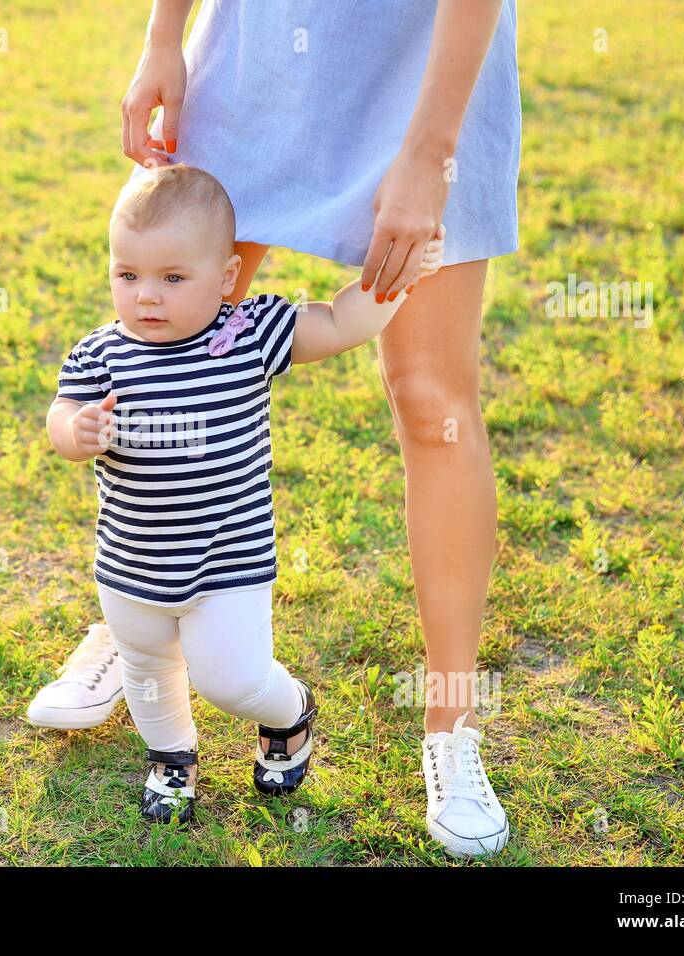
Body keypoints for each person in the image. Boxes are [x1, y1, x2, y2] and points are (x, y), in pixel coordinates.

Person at [30, 0, 519, 857]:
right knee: (173, 304)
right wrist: (162, 36)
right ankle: (140, 626)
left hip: (428, 62)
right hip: (260, 41)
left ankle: (451, 723)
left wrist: (431, 152)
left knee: (430, 397)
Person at [45, 164, 442, 823]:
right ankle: (172, 759)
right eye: (128, 275)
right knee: (148, 671)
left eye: (174, 278)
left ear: (227, 278)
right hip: (130, 566)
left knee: (229, 677)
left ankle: (288, 711)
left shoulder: (245, 334)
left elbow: (343, 321)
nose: (148, 295)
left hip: (227, 562)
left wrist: (400, 278)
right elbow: (62, 414)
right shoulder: (100, 354)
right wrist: (75, 431)